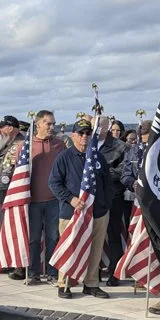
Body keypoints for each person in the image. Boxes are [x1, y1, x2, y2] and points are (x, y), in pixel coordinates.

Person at [48, 118, 112, 299]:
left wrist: (105, 204)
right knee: (70, 248)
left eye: (88, 133)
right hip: (72, 213)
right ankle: (64, 284)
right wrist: (71, 199)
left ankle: (91, 284)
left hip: (98, 213)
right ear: (73, 135)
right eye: (81, 133)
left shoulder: (98, 157)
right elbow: (53, 182)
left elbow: (107, 183)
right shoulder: (64, 157)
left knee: (95, 249)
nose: (84, 137)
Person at [17, 110, 64, 284]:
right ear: (38, 124)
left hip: (54, 200)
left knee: (53, 238)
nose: (52, 127)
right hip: (32, 200)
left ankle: (52, 273)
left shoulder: (60, 145)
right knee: (33, 239)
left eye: (53, 124)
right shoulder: (26, 146)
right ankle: (34, 273)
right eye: (48, 123)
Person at [97, 116, 128, 286]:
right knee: (94, 236)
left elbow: (123, 172)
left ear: (107, 127)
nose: (94, 129)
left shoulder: (120, 146)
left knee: (113, 235)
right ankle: (94, 273)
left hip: (113, 197)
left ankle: (114, 272)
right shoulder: (87, 144)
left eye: (98, 126)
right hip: (91, 197)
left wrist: (100, 172)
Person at [0, 115, 25, 207]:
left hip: (12, 190)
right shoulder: (5, 144)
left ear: (10, 128)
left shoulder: (21, 144)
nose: (0, 131)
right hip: (1, 189)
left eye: (2, 127)